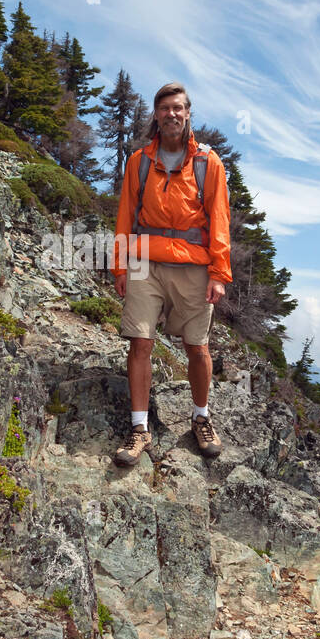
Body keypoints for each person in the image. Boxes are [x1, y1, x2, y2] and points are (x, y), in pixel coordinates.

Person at [110, 81, 231, 466]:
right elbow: (125, 215)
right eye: (165, 109)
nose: (172, 114)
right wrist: (119, 265)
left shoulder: (208, 163)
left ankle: (201, 416)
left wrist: (219, 273)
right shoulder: (139, 161)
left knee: (197, 347)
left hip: (194, 266)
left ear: (188, 113)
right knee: (140, 343)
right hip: (144, 259)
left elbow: (220, 221)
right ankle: (139, 427)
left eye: (178, 108)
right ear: (156, 116)